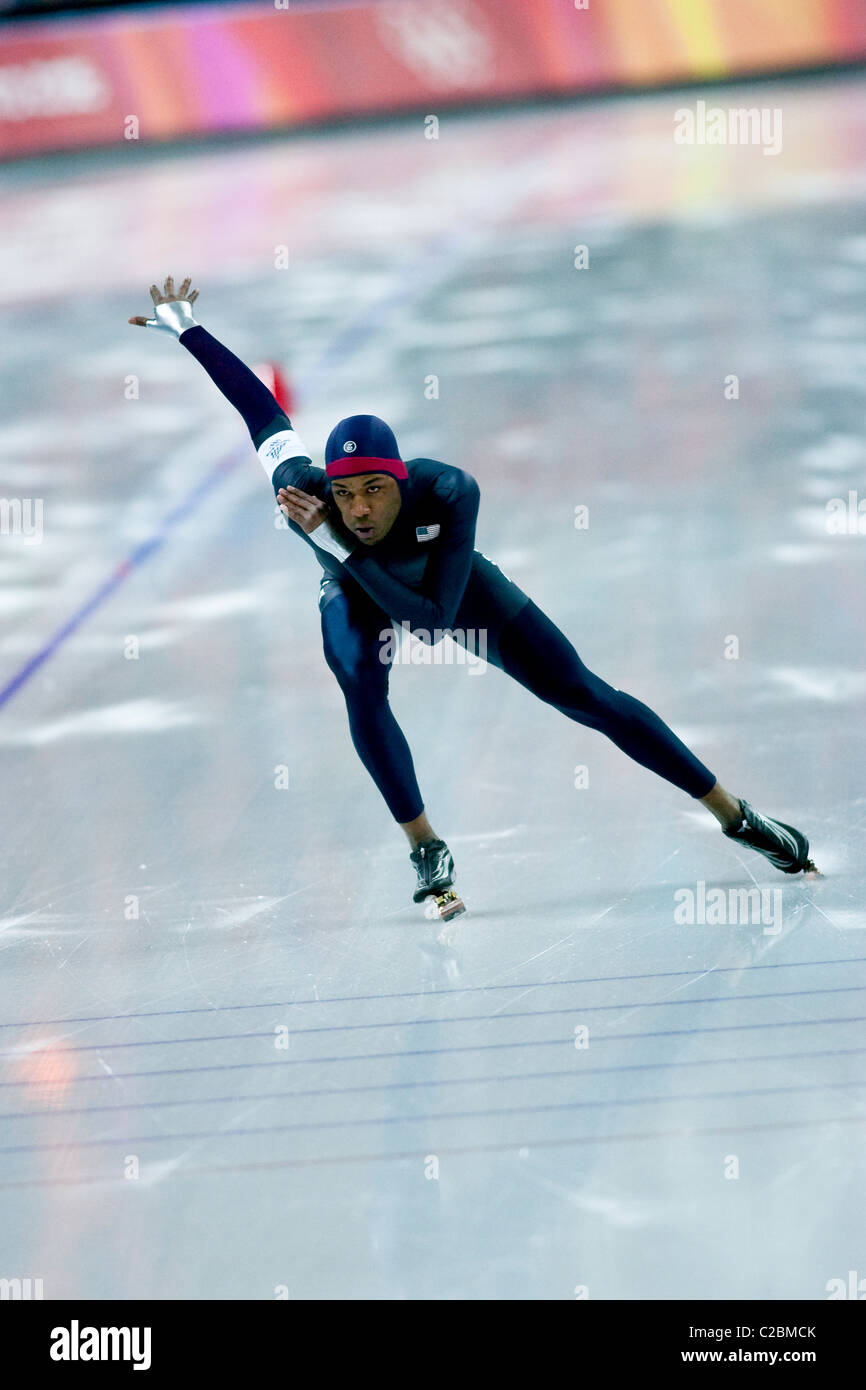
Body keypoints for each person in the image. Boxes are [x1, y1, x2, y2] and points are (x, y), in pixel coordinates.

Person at [130, 277, 818, 914]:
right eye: (344, 493)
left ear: (402, 481)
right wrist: (190, 329)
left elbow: (431, 623)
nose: (359, 508)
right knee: (361, 689)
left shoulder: (449, 491)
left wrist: (339, 546)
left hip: (440, 587)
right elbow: (260, 411)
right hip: (355, 593)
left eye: (375, 489)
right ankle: (426, 846)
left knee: (582, 693)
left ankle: (734, 814)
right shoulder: (301, 489)